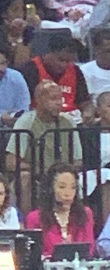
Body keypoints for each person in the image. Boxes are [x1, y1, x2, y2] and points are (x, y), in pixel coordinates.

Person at [6, 79, 82, 209]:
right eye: (53, 99)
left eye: (60, 98)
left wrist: (62, 174)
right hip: (36, 177)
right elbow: (11, 162)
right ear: (38, 100)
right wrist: (39, 170)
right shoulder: (26, 122)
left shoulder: (69, 122)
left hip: (63, 176)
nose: (59, 103)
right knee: (24, 177)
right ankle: (28, 226)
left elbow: (78, 161)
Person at [25, 163, 95, 257]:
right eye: (62, 187)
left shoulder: (85, 213)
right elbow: (35, 254)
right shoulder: (35, 218)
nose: (68, 193)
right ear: (50, 189)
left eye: (73, 187)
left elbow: (90, 248)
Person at [20, 32, 91, 118]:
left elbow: (84, 101)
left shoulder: (75, 70)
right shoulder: (29, 70)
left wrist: (88, 112)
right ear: (47, 54)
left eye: (68, 61)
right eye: (61, 60)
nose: (64, 65)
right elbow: (24, 106)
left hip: (72, 120)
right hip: (40, 120)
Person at [0, 0, 37, 67]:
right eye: (15, 10)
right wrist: (18, 37)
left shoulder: (29, 30)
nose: (20, 14)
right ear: (3, 14)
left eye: (22, 9)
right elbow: (19, 65)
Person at [0, 43, 30, 126]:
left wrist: (16, 117)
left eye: (3, 63)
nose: (1, 69)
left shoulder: (16, 77)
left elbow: (24, 108)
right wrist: (1, 118)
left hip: (13, 129)